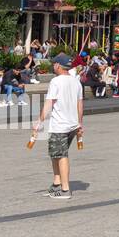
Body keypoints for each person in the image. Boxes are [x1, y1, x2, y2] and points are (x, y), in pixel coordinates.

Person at [30, 55, 84, 200]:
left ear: (59, 66)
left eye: (54, 64)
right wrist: (80, 124)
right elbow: (80, 105)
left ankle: (65, 190)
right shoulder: (76, 82)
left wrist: (39, 121)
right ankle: (56, 185)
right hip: (72, 125)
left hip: (60, 125)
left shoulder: (56, 81)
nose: (53, 66)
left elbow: (49, 103)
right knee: (56, 154)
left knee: (61, 155)